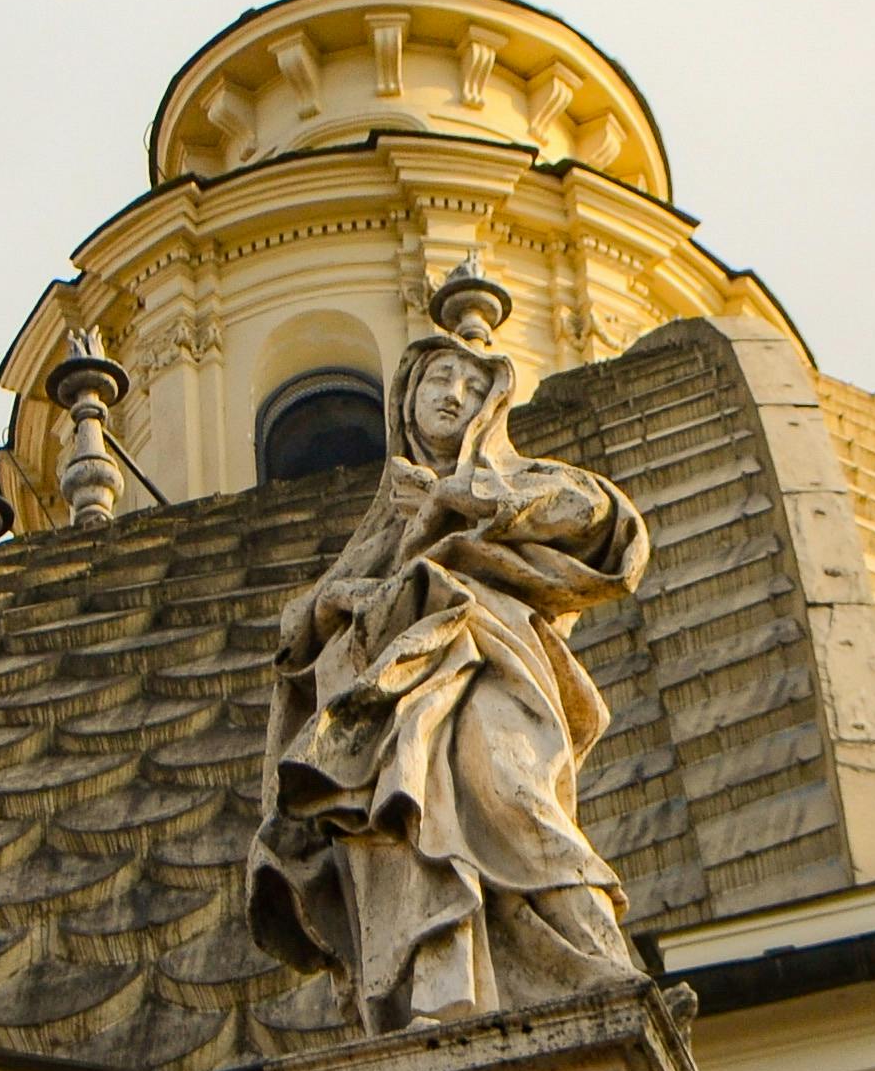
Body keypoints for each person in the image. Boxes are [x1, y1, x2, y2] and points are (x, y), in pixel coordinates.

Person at [247, 326, 650, 1032]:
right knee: (401, 826)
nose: (451, 396)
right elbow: (301, 632)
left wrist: (467, 498)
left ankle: (600, 968)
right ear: (404, 401)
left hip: (492, 664)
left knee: (511, 789)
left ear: (492, 404)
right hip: (397, 703)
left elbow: (611, 530)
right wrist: (339, 603)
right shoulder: (382, 520)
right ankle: (435, 990)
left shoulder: (518, 479)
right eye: (436, 380)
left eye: (469, 386)